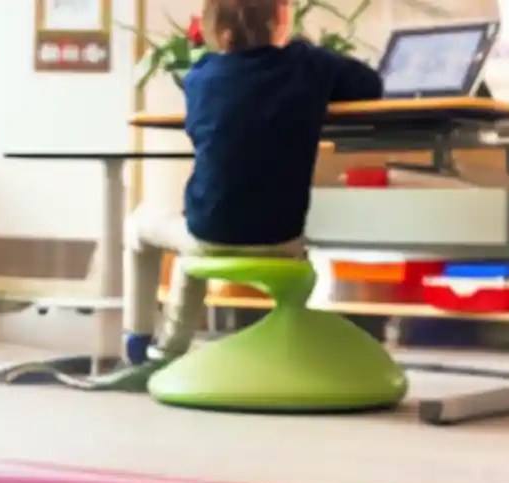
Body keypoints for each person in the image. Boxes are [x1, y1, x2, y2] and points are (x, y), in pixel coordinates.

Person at [122, 0, 384, 371]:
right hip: (284, 239)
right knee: (196, 245)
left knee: (144, 227)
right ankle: (169, 350)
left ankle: (141, 340)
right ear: (282, 19)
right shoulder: (308, 67)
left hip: (209, 233)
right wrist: (305, 51)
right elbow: (370, 85)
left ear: (215, 29)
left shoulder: (200, 77)